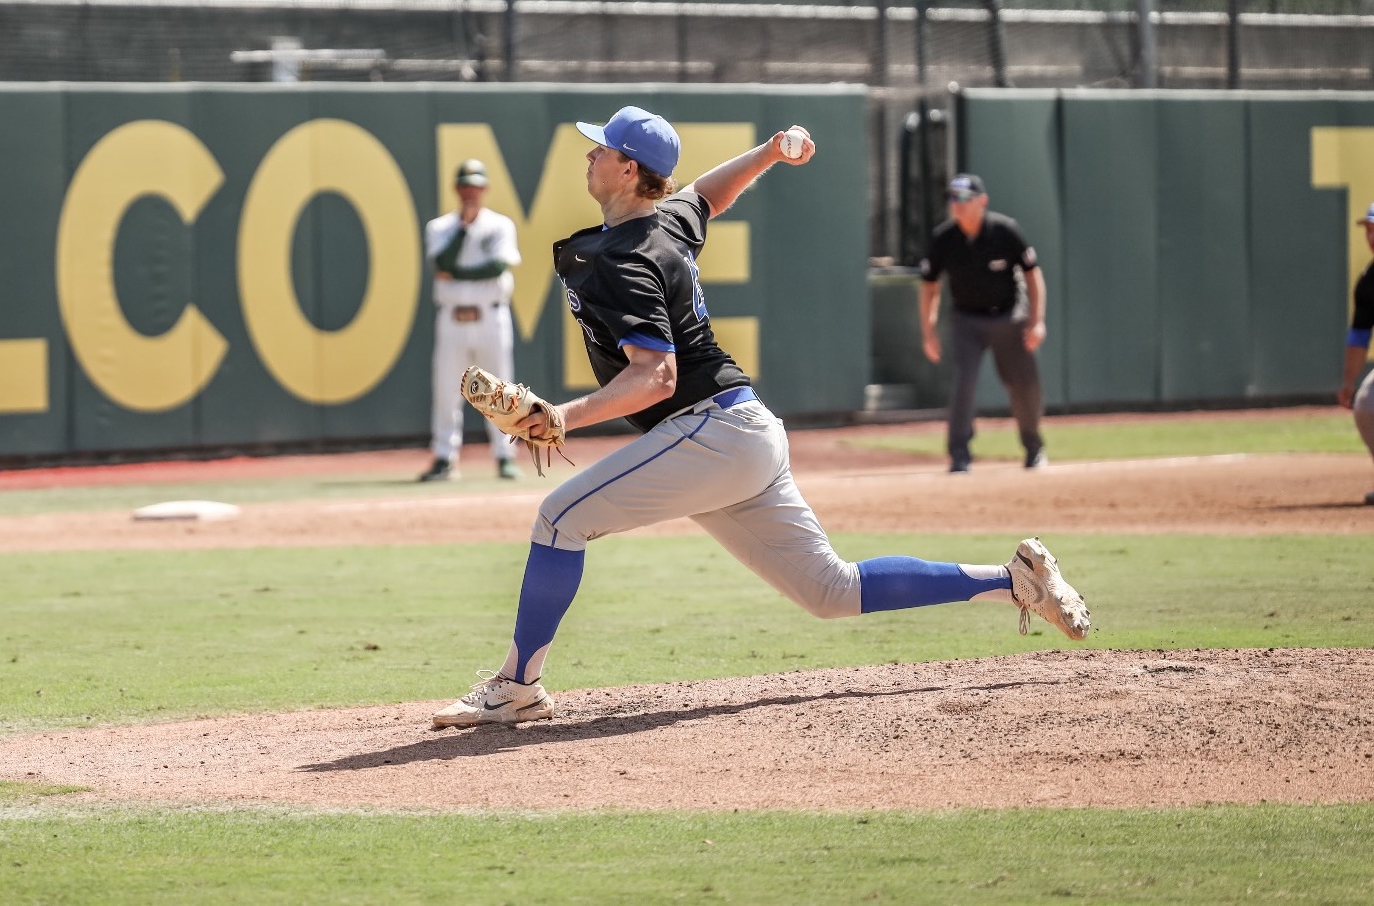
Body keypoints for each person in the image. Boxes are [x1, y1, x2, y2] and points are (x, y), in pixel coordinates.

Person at [430, 107, 1091, 729]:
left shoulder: (626, 257)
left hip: (706, 432)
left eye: (601, 147)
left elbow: (654, 375)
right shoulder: (666, 220)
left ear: (627, 169)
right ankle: (1015, 581)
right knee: (830, 591)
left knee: (558, 518)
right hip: (737, 431)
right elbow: (709, 194)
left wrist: (564, 417)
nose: (589, 152)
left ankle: (518, 685)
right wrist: (770, 152)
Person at [918, 174, 1049, 473]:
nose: (957, 205)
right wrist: (928, 331)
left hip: (1009, 316)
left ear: (982, 202)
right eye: (953, 199)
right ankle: (959, 456)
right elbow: (929, 286)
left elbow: (1033, 275)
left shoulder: (1005, 231)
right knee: (964, 384)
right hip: (967, 320)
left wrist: (1036, 320)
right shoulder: (945, 239)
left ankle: (1033, 448)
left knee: (1024, 385)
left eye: (964, 199)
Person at [420, 159, 524, 481]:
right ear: (456, 188)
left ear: (485, 189)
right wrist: (464, 229)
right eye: (465, 185)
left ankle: (505, 455)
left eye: (476, 185)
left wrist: (458, 274)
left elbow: (497, 268)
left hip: (491, 315)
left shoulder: (500, 225)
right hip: (453, 318)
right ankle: (444, 456)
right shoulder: (441, 227)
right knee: (446, 390)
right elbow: (442, 261)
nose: (470, 192)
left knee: (500, 388)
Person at [1340, 202, 1374, 505]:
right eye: (1370, 229)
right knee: (1366, 403)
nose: (1372, 236)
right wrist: (1349, 381)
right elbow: (1359, 336)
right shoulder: (1369, 283)